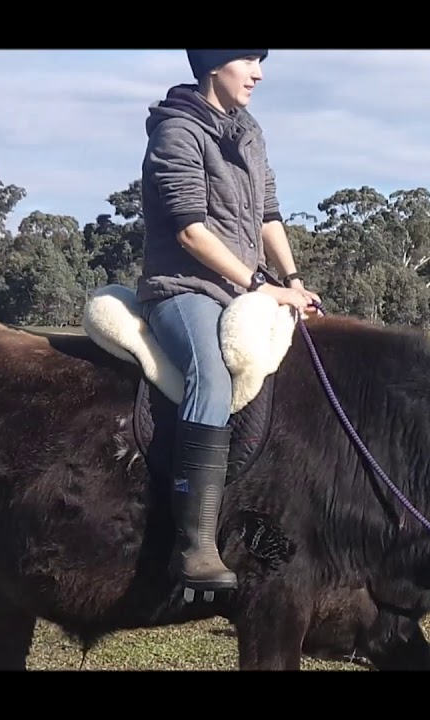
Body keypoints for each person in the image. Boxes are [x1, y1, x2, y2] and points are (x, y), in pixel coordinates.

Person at [137, 49, 320, 595]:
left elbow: (267, 214)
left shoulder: (250, 130)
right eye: (248, 60)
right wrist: (260, 285)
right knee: (212, 379)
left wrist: (294, 279)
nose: (259, 73)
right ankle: (193, 545)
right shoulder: (176, 132)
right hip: (183, 291)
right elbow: (191, 231)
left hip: (245, 287)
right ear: (215, 65)